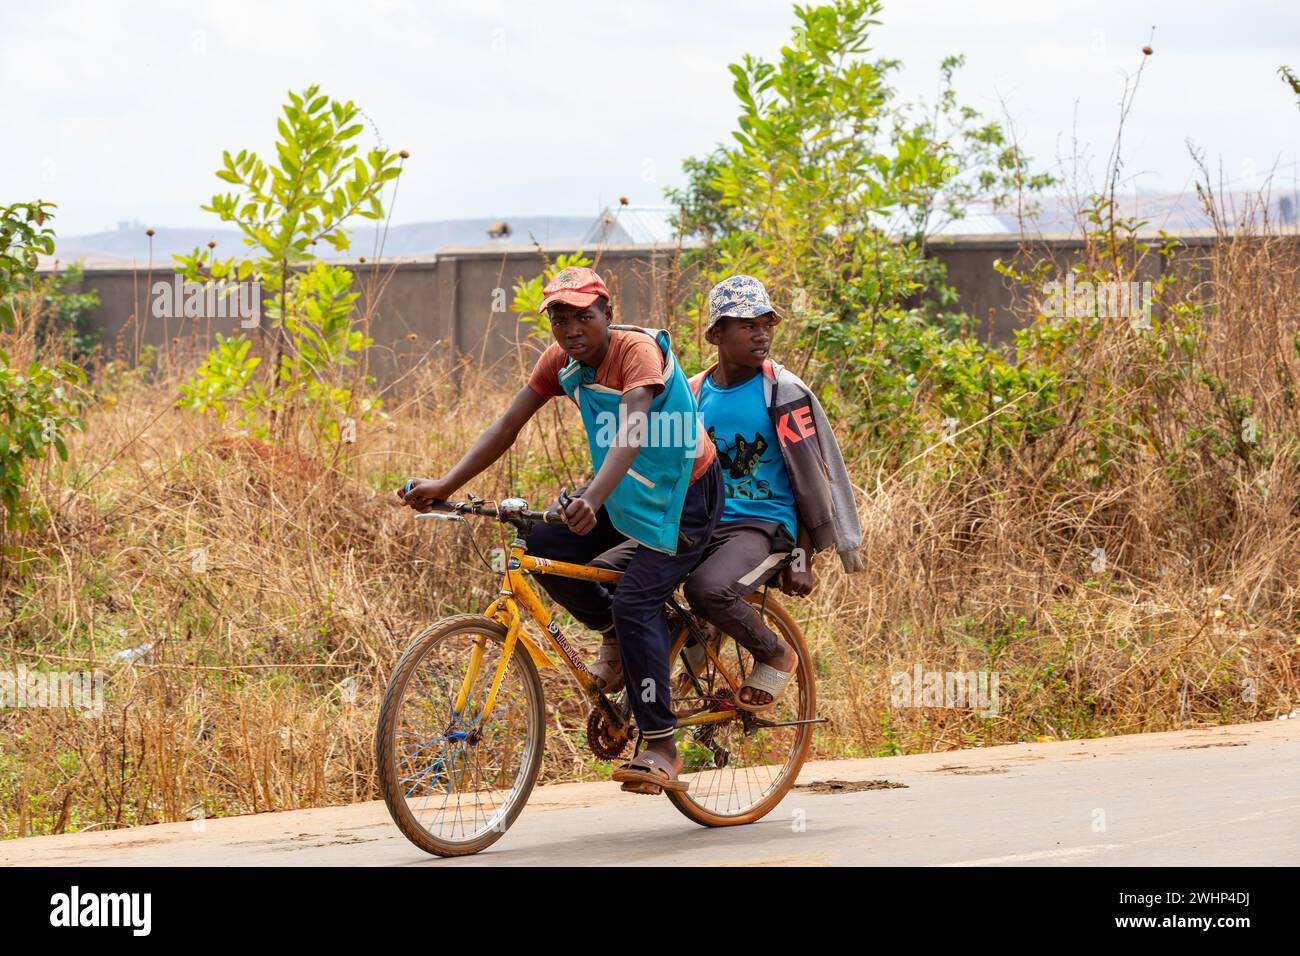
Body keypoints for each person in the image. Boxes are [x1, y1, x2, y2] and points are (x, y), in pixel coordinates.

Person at [399, 266, 721, 795]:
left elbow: (635, 426)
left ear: (607, 315)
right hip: (625, 490)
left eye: (584, 317)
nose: (572, 330)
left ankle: (661, 744)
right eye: (560, 320)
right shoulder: (562, 363)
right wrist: (444, 483)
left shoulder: (637, 351)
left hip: (686, 494)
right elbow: (507, 425)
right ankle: (622, 636)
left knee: (635, 600)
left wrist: (592, 497)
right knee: (541, 540)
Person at [683, 274, 865, 710]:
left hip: (765, 526)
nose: (761, 333)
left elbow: (811, 476)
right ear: (715, 334)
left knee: (706, 590)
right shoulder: (692, 393)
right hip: (707, 524)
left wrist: (803, 555)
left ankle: (775, 653)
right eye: (747, 324)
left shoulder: (781, 392)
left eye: (766, 323)